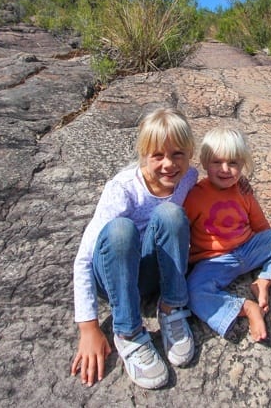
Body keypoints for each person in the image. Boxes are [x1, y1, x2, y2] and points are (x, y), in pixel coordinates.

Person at [71, 107, 198, 390]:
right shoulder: (124, 188)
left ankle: (170, 307)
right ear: (144, 154)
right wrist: (88, 327)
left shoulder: (188, 178)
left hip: (151, 274)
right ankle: (128, 332)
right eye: (158, 155)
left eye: (178, 154)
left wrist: (239, 186)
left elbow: (212, 190)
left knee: (171, 214)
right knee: (120, 230)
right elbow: (84, 259)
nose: (169, 164)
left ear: (190, 154)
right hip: (115, 274)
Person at [184, 126, 271, 342]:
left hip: (248, 249)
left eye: (233, 163)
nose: (225, 169)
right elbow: (182, 233)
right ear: (204, 162)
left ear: (242, 165)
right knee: (193, 292)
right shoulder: (195, 196)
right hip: (215, 261)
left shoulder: (243, 191)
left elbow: (261, 226)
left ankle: (264, 281)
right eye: (217, 162)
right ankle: (245, 308)